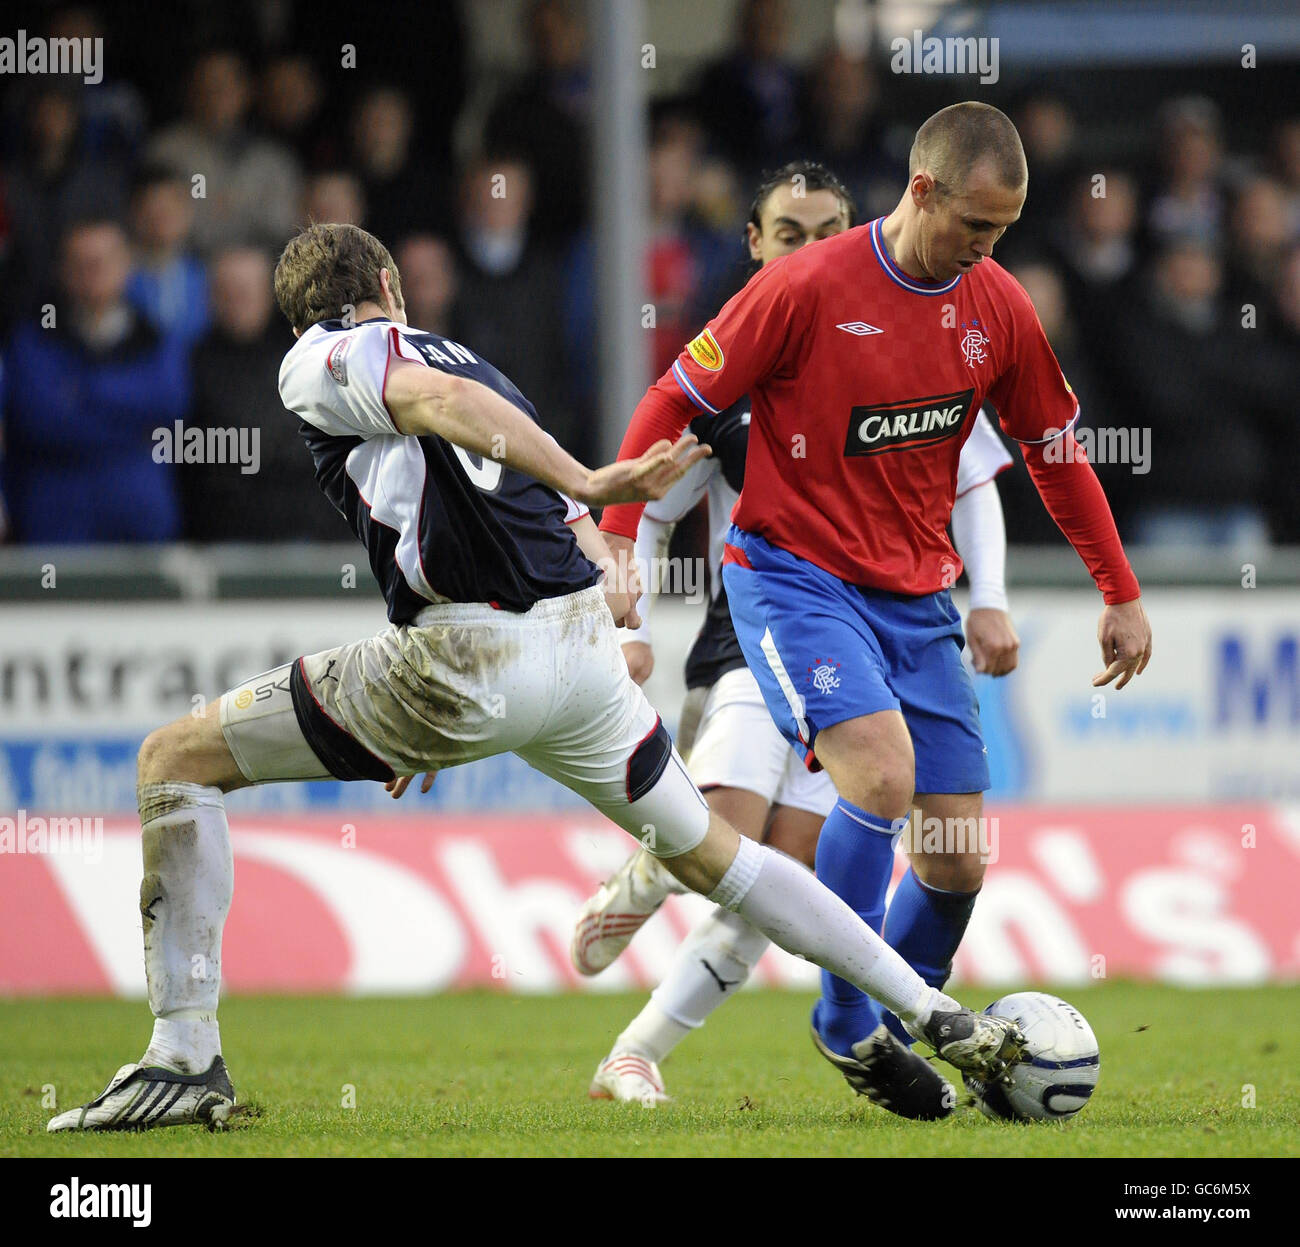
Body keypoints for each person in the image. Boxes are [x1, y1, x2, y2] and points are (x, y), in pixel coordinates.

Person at [47, 222, 1024, 1132]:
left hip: (469, 654)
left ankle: (182, 1053)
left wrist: (591, 484)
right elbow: (475, 465)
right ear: (391, 283)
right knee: (719, 857)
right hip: (573, 654)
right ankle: (936, 1009)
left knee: (172, 758)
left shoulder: (322, 355)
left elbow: (442, 408)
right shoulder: (469, 352)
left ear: (315, 313)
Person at [598, 103, 1151, 1114]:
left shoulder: (997, 306)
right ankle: (849, 1024)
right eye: (972, 227)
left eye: (1003, 233)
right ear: (921, 188)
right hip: (793, 575)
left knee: (954, 858)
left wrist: (1117, 587)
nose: (985, 250)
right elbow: (671, 399)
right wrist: (614, 529)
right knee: (881, 777)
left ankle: (887, 1017)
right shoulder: (803, 288)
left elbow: (1053, 451)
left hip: (914, 595)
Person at [574, 162, 1017, 1116]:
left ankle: (638, 1050)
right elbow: (644, 494)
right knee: (736, 840)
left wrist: (991, 595)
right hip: (754, 631)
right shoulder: (735, 361)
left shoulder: (911, 322)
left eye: (826, 229)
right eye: (788, 231)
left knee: (791, 884)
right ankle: (666, 854)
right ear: (754, 241)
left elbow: (979, 476)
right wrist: (632, 615)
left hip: (874, 630)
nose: (809, 248)